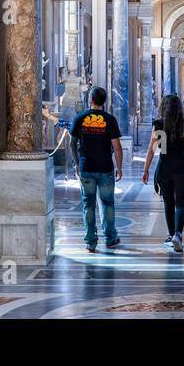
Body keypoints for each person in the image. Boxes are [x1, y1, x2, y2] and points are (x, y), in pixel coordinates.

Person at [69, 87, 123, 252]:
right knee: (107, 204)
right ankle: (110, 238)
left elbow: (72, 143)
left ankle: (90, 242)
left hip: (86, 167)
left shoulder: (80, 118)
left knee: (88, 205)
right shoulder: (110, 119)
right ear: (104, 101)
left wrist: (77, 163)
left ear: (90, 99)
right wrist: (119, 167)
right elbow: (117, 147)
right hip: (105, 168)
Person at [142, 94, 184, 253]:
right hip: (182, 166)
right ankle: (178, 235)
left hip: (164, 167)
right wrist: (181, 142)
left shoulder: (158, 124)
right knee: (181, 203)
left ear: (163, 108)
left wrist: (145, 171)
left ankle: (170, 234)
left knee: (168, 203)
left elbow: (152, 150)